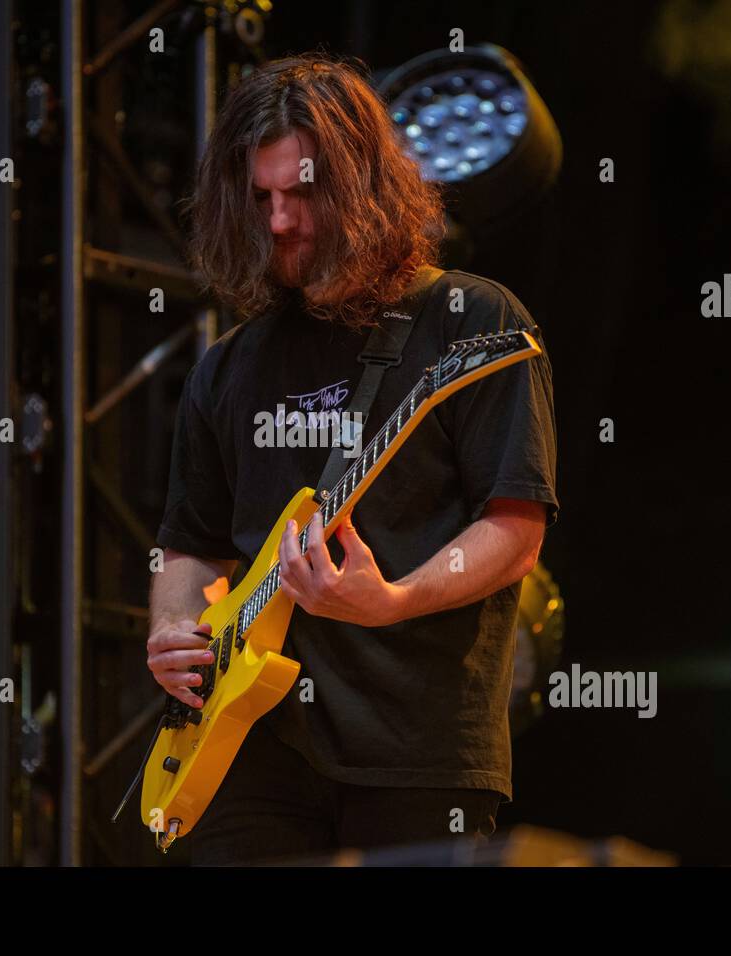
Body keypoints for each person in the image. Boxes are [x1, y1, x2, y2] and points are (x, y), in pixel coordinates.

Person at [147, 54, 559, 865]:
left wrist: (394, 598)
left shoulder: (473, 322)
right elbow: (191, 541)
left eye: (301, 196)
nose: (278, 223)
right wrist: (171, 624)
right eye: (260, 199)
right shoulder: (228, 366)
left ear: (362, 186)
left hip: (415, 744)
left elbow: (515, 523)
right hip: (247, 747)